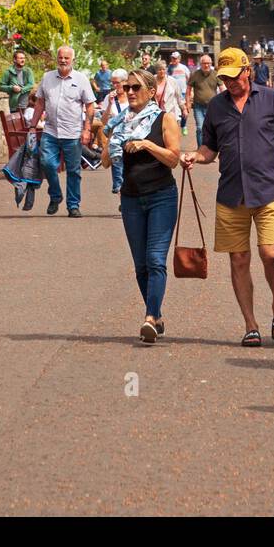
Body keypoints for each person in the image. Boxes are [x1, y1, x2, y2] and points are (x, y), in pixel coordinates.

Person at [182, 47, 274, 346]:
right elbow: (209, 148)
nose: (230, 83)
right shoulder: (216, 107)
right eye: (225, 78)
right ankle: (250, 324)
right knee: (238, 259)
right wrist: (195, 157)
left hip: (269, 190)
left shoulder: (272, 99)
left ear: (247, 71)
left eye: (235, 76)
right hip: (231, 193)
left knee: (270, 254)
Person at [113, 69, 183, 343]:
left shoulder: (165, 120)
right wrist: (109, 138)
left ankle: (151, 317)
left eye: (136, 87)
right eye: (127, 87)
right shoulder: (121, 122)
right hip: (130, 199)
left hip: (161, 196)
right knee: (141, 265)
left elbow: (173, 158)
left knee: (155, 260)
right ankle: (156, 315)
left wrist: (145, 145)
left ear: (151, 92)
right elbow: (107, 161)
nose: (129, 92)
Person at [28, 45, 96, 216]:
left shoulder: (81, 79)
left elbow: (89, 106)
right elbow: (40, 103)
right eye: (60, 57)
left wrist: (86, 130)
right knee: (47, 164)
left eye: (67, 58)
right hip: (51, 131)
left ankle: (73, 205)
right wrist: (32, 125)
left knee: (73, 170)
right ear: (56, 58)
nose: (63, 60)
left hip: (72, 133)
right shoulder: (47, 77)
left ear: (73, 60)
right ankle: (56, 195)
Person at [98, 69, 130, 197]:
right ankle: (121, 193)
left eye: (117, 83)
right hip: (115, 139)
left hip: (132, 137)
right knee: (117, 167)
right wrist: (109, 105)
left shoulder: (133, 95)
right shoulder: (109, 97)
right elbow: (104, 121)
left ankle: (127, 195)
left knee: (130, 169)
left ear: (125, 82)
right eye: (113, 83)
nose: (115, 86)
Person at [186, 53, 220, 139]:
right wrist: (188, 103)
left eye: (208, 63)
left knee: (212, 128)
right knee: (200, 128)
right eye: (204, 63)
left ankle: (211, 148)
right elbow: (188, 89)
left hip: (212, 107)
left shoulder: (216, 74)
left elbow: (222, 88)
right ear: (201, 64)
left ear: (211, 63)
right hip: (198, 107)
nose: (206, 65)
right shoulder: (195, 74)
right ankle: (200, 149)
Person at [0, 49, 35, 113]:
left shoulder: (28, 71)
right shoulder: (8, 72)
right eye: (20, 58)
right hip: (14, 106)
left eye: (24, 58)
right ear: (14, 60)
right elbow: (1, 86)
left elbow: (31, 84)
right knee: (16, 123)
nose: (23, 60)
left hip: (27, 105)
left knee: (28, 122)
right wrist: (12, 88)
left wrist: (21, 89)